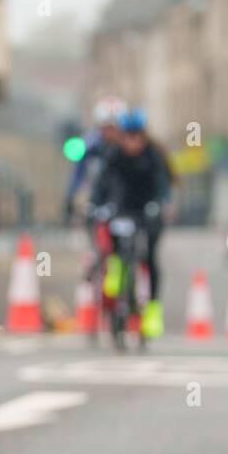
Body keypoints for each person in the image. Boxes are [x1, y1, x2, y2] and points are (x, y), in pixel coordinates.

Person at [88, 107, 172, 339]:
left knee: (151, 256)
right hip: (122, 207)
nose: (133, 142)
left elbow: (163, 185)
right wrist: (96, 205)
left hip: (147, 209)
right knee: (114, 236)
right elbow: (102, 184)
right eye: (128, 137)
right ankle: (115, 269)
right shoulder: (114, 155)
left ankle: (153, 310)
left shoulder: (153, 155)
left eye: (137, 137)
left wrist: (160, 204)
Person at [64, 96, 124, 224]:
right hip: (97, 196)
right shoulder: (90, 146)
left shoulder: (129, 147)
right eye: (107, 127)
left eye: (114, 128)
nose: (111, 133)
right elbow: (78, 172)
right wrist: (71, 196)